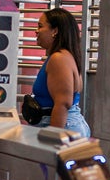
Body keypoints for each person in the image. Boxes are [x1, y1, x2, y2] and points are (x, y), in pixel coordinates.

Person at [30, 7, 91, 137]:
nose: (36, 31)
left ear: (55, 31)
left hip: (64, 129)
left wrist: (53, 138)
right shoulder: (66, 56)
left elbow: (62, 104)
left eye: (40, 26)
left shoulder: (59, 59)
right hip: (70, 126)